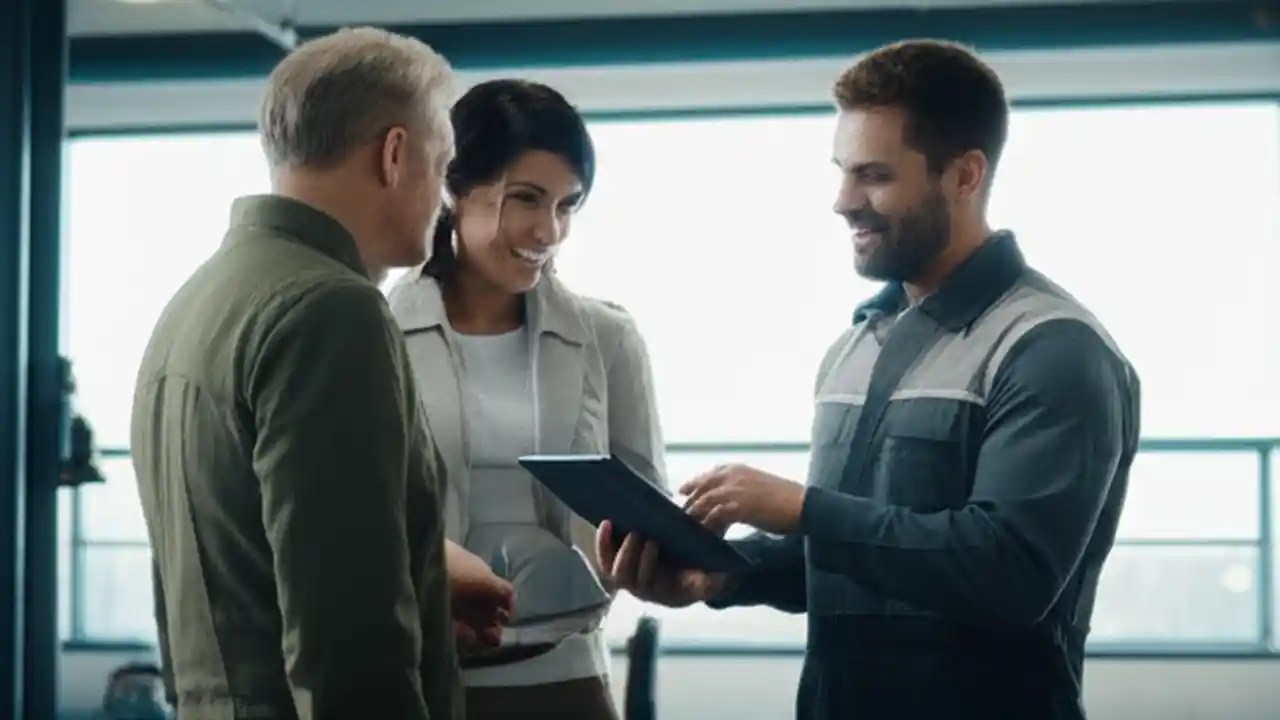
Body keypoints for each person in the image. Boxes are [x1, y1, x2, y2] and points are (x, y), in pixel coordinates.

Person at [599, 39, 1141, 720]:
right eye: (842, 171)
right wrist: (723, 575)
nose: (843, 202)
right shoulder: (854, 348)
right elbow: (851, 555)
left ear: (965, 176)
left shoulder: (1054, 350)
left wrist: (801, 507)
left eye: (875, 175)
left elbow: (1009, 573)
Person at [130, 28, 514, 720]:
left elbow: (240, 573)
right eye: (443, 163)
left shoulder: (198, 300)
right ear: (396, 155)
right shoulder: (332, 311)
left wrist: (422, 597)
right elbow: (346, 642)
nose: (447, 199)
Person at [387, 79, 667, 719]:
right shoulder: (376, 332)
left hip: (565, 680)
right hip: (422, 684)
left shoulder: (608, 337)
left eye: (568, 205)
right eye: (526, 200)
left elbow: (643, 515)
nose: (549, 230)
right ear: (455, 190)